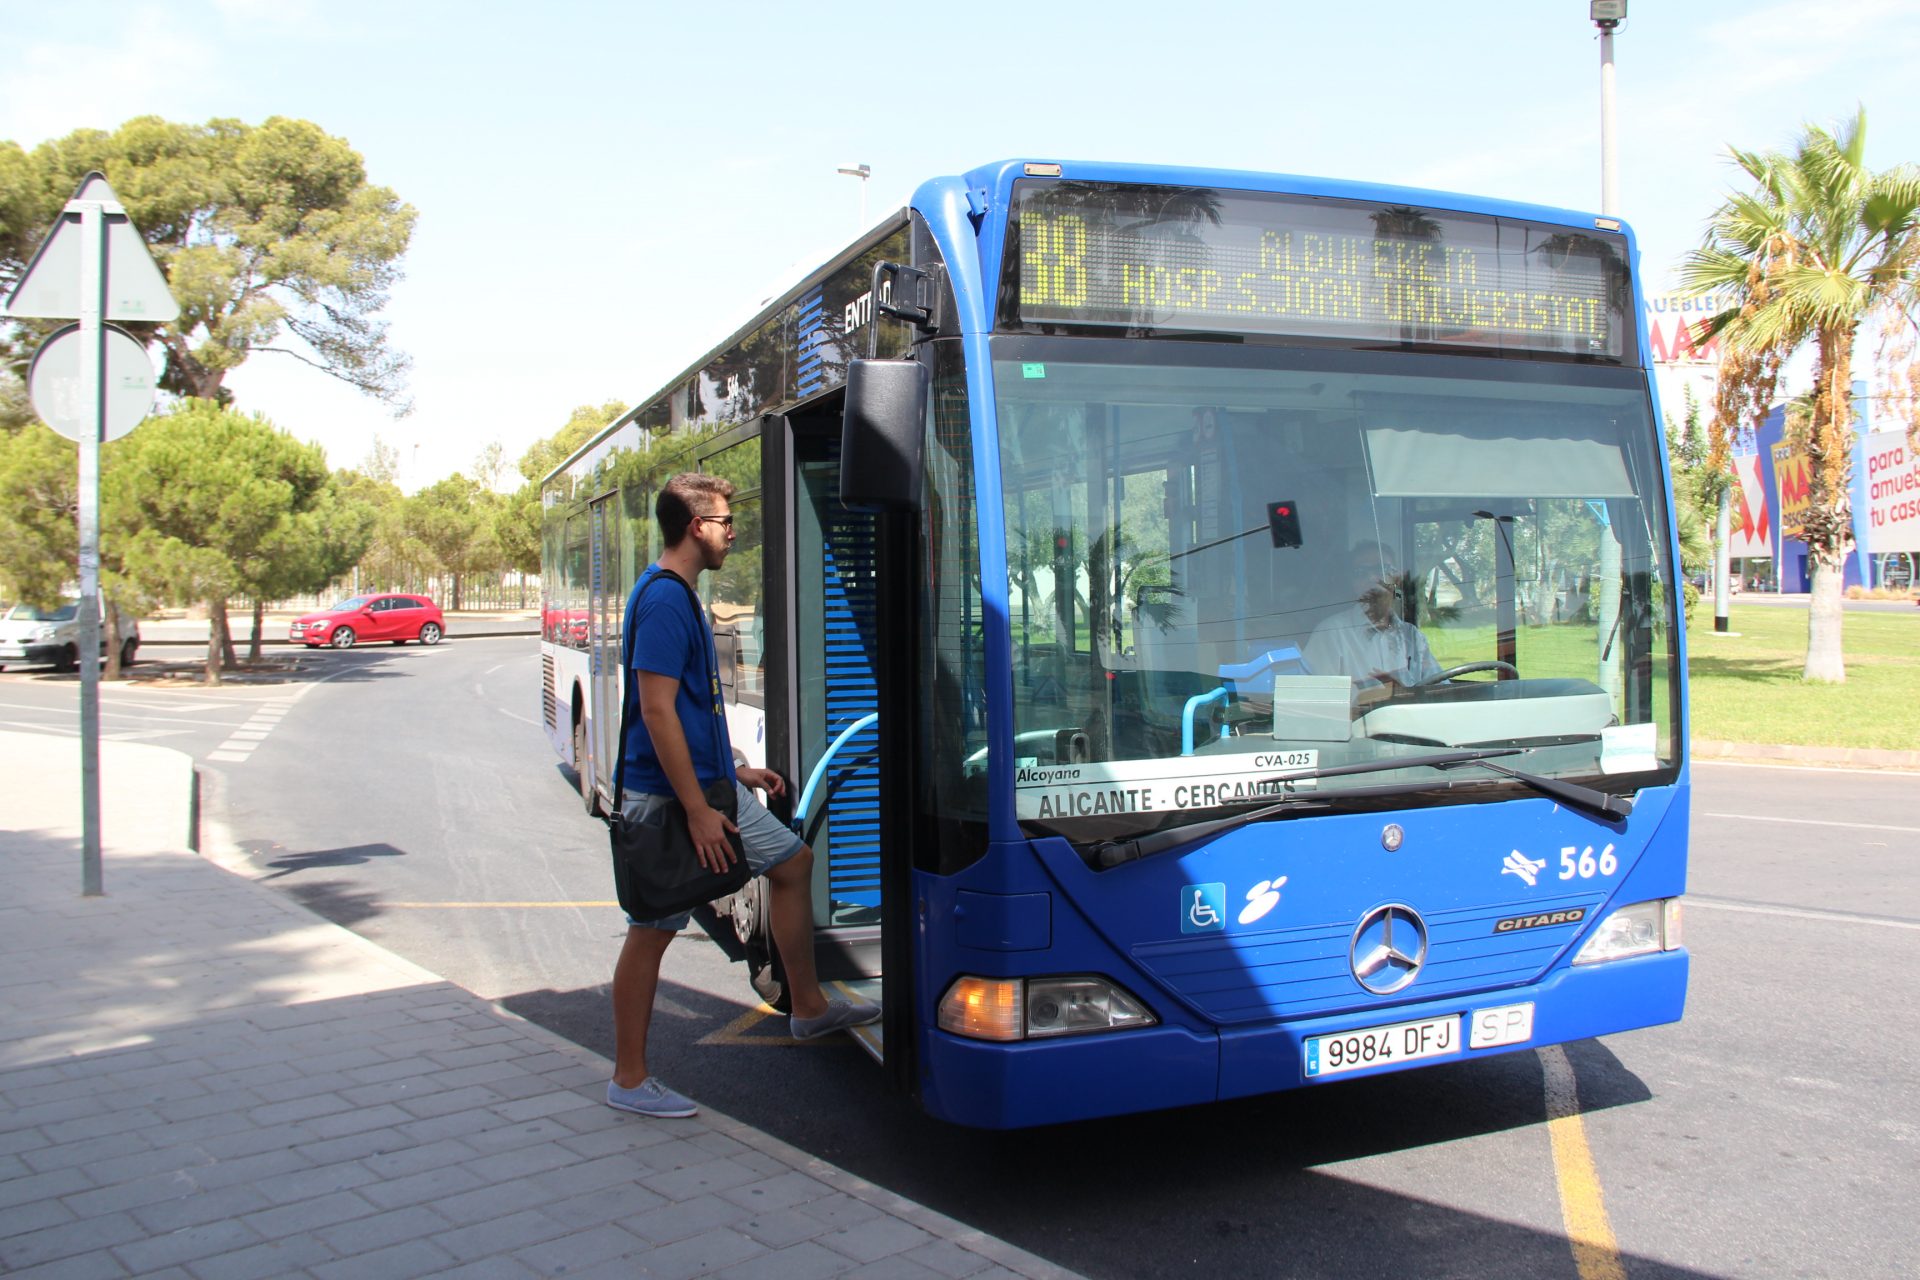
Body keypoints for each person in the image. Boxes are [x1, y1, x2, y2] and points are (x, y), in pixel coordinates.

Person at [607, 473, 877, 1119]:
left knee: (791, 863)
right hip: (674, 802)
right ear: (696, 527)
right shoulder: (668, 601)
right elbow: (656, 710)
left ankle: (807, 1009)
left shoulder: (673, 594)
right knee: (650, 931)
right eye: (726, 521)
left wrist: (734, 773)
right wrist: (701, 810)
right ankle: (629, 1078)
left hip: (703, 789)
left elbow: (690, 711)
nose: (734, 532)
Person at [1303, 541, 1441, 699]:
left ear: (1396, 578)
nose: (1372, 578)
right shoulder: (1330, 633)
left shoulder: (1412, 636)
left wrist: (1401, 692)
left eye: (1381, 569)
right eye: (1361, 572)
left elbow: (1442, 692)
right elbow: (1314, 702)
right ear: (1353, 583)